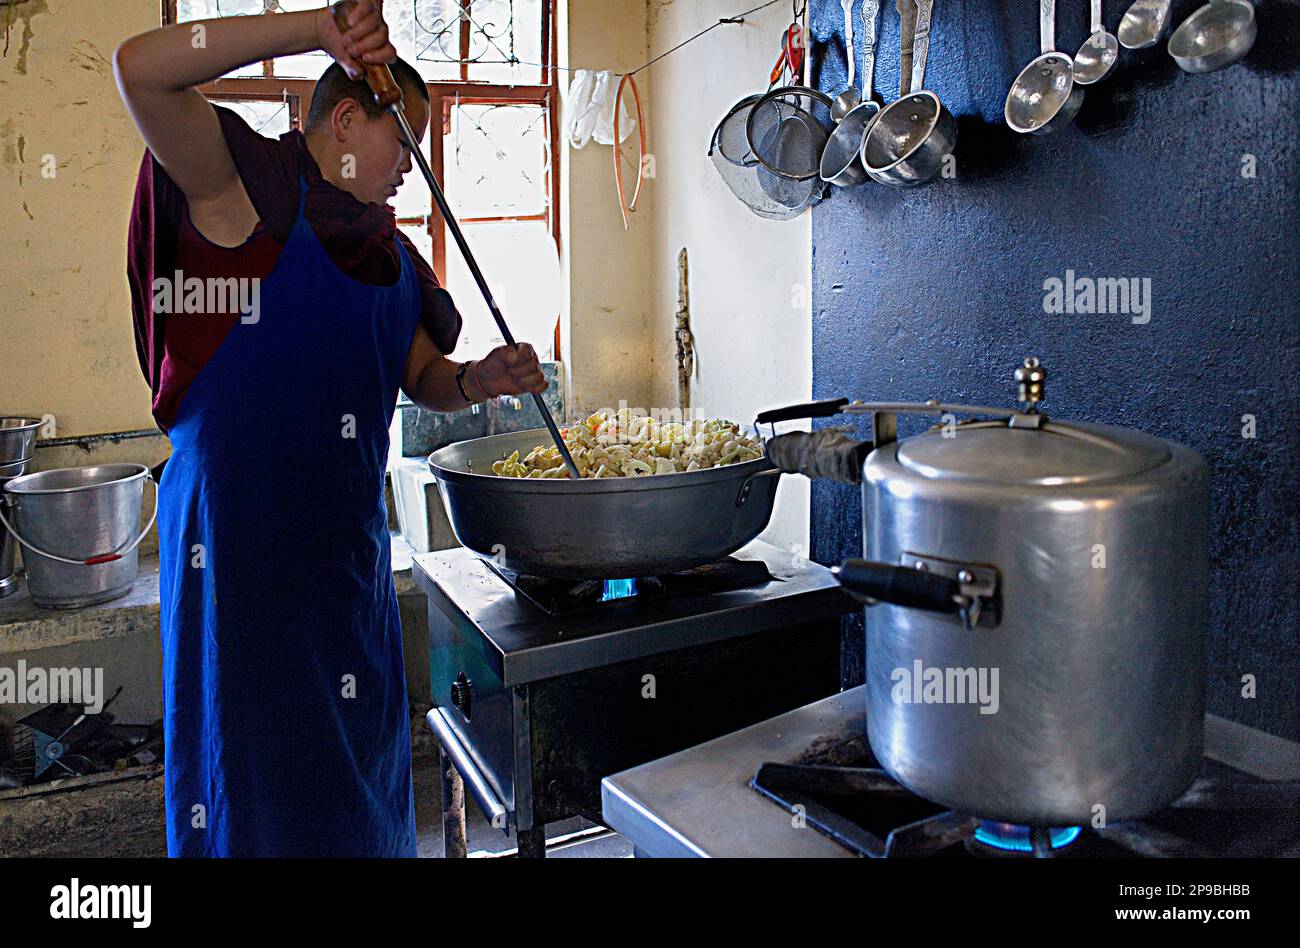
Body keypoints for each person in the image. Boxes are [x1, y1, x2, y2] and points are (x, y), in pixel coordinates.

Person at [115, 0, 546, 857]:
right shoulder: (243, 191)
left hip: (341, 561)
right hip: (238, 551)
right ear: (345, 115)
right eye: (405, 145)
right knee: (251, 782)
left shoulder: (387, 254)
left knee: (357, 784)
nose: (407, 176)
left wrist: (476, 381)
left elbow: (422, 376)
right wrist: (313, 29)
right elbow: (141, 67)